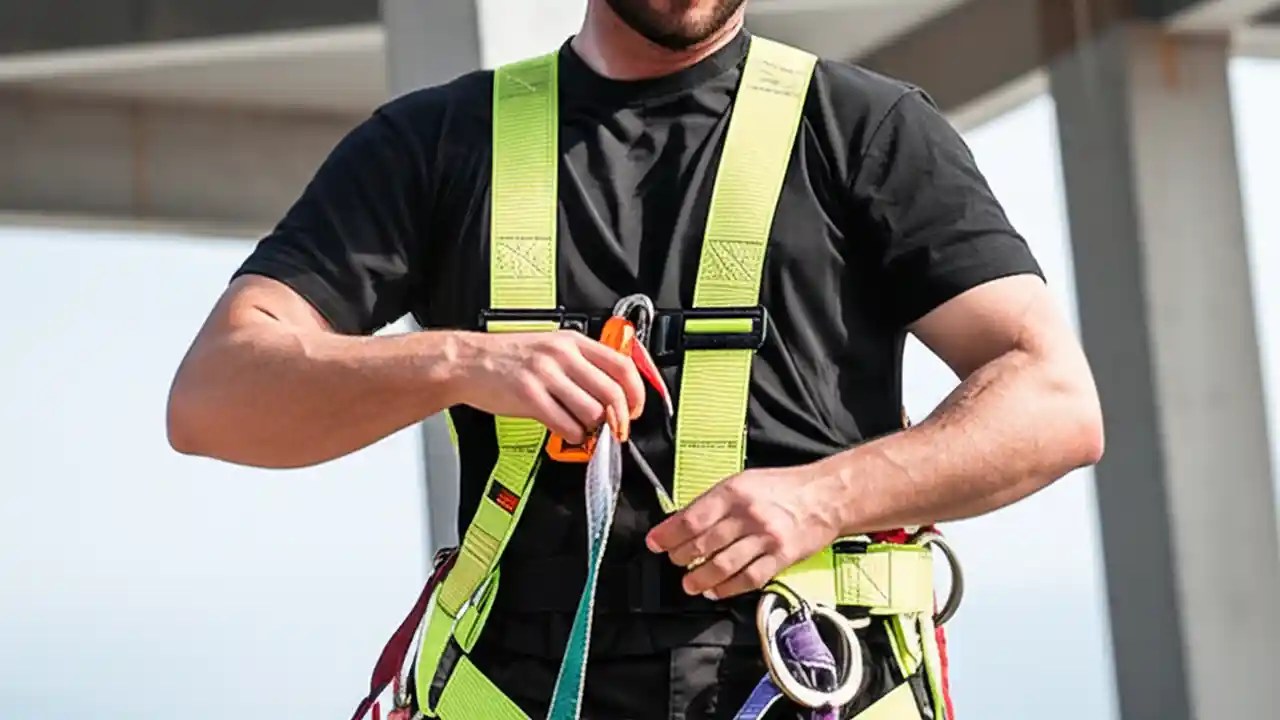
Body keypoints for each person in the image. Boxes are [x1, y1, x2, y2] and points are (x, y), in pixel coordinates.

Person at [166, 1, 1104, 717]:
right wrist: (460, 362)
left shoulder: (866, 128)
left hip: (805, 682)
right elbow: (215, 396)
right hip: (516, 689)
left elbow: (1054, 400)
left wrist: (822, 497)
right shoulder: (433, 146)